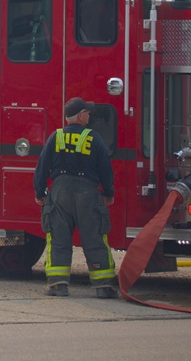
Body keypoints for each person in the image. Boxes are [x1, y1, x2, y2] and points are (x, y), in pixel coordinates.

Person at [33, 97, 117, 298]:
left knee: (58, 239)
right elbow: (105, 169)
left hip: (60, 192)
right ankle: (103, 286)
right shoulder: (94, 138)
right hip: (87, 193)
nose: (89, 115)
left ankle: (58, 284)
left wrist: (40, 193)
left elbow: (41, 168)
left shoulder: (56, 136)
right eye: (87, 112)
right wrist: (108, 192)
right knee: (95, 238)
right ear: (80, 116)